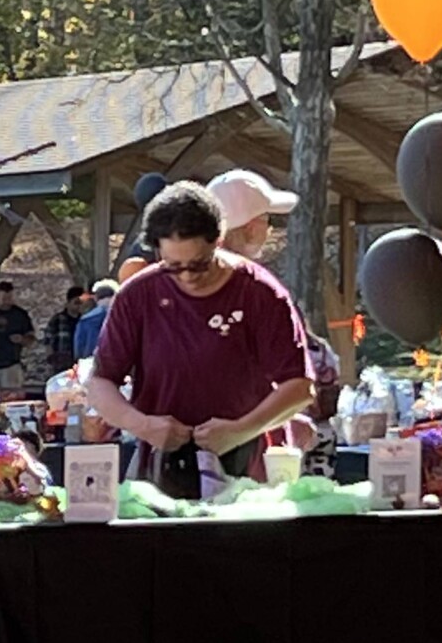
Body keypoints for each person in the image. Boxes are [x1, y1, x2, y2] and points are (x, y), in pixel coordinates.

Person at [85, 182, 313, 497]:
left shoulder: (259, 292)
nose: (188, 276)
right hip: (162, 462)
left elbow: (300, 387)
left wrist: (240, 430)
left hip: (248, 463)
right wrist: (142, 425)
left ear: (217, 240)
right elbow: (99, 383)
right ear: (157, 252)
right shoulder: (139, 294)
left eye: (199, 264)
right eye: (173, 267)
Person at [205, 168, 297, 261]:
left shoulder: (198, 267)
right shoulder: (250, 274)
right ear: (251, 230)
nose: (270, 229)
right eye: (268, 221)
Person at [0, 280, 36, 392]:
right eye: (4, 299)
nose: (7, 302)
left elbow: (31, 339)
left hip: (10, 366)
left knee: (11, 399)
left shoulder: (20, 315)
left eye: (9, 298)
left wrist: (22, 339)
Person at [72, 277, 121, 362]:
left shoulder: (85, 320)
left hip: (91, 365)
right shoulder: (123, 317)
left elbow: (78, 351)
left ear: (96, 298)